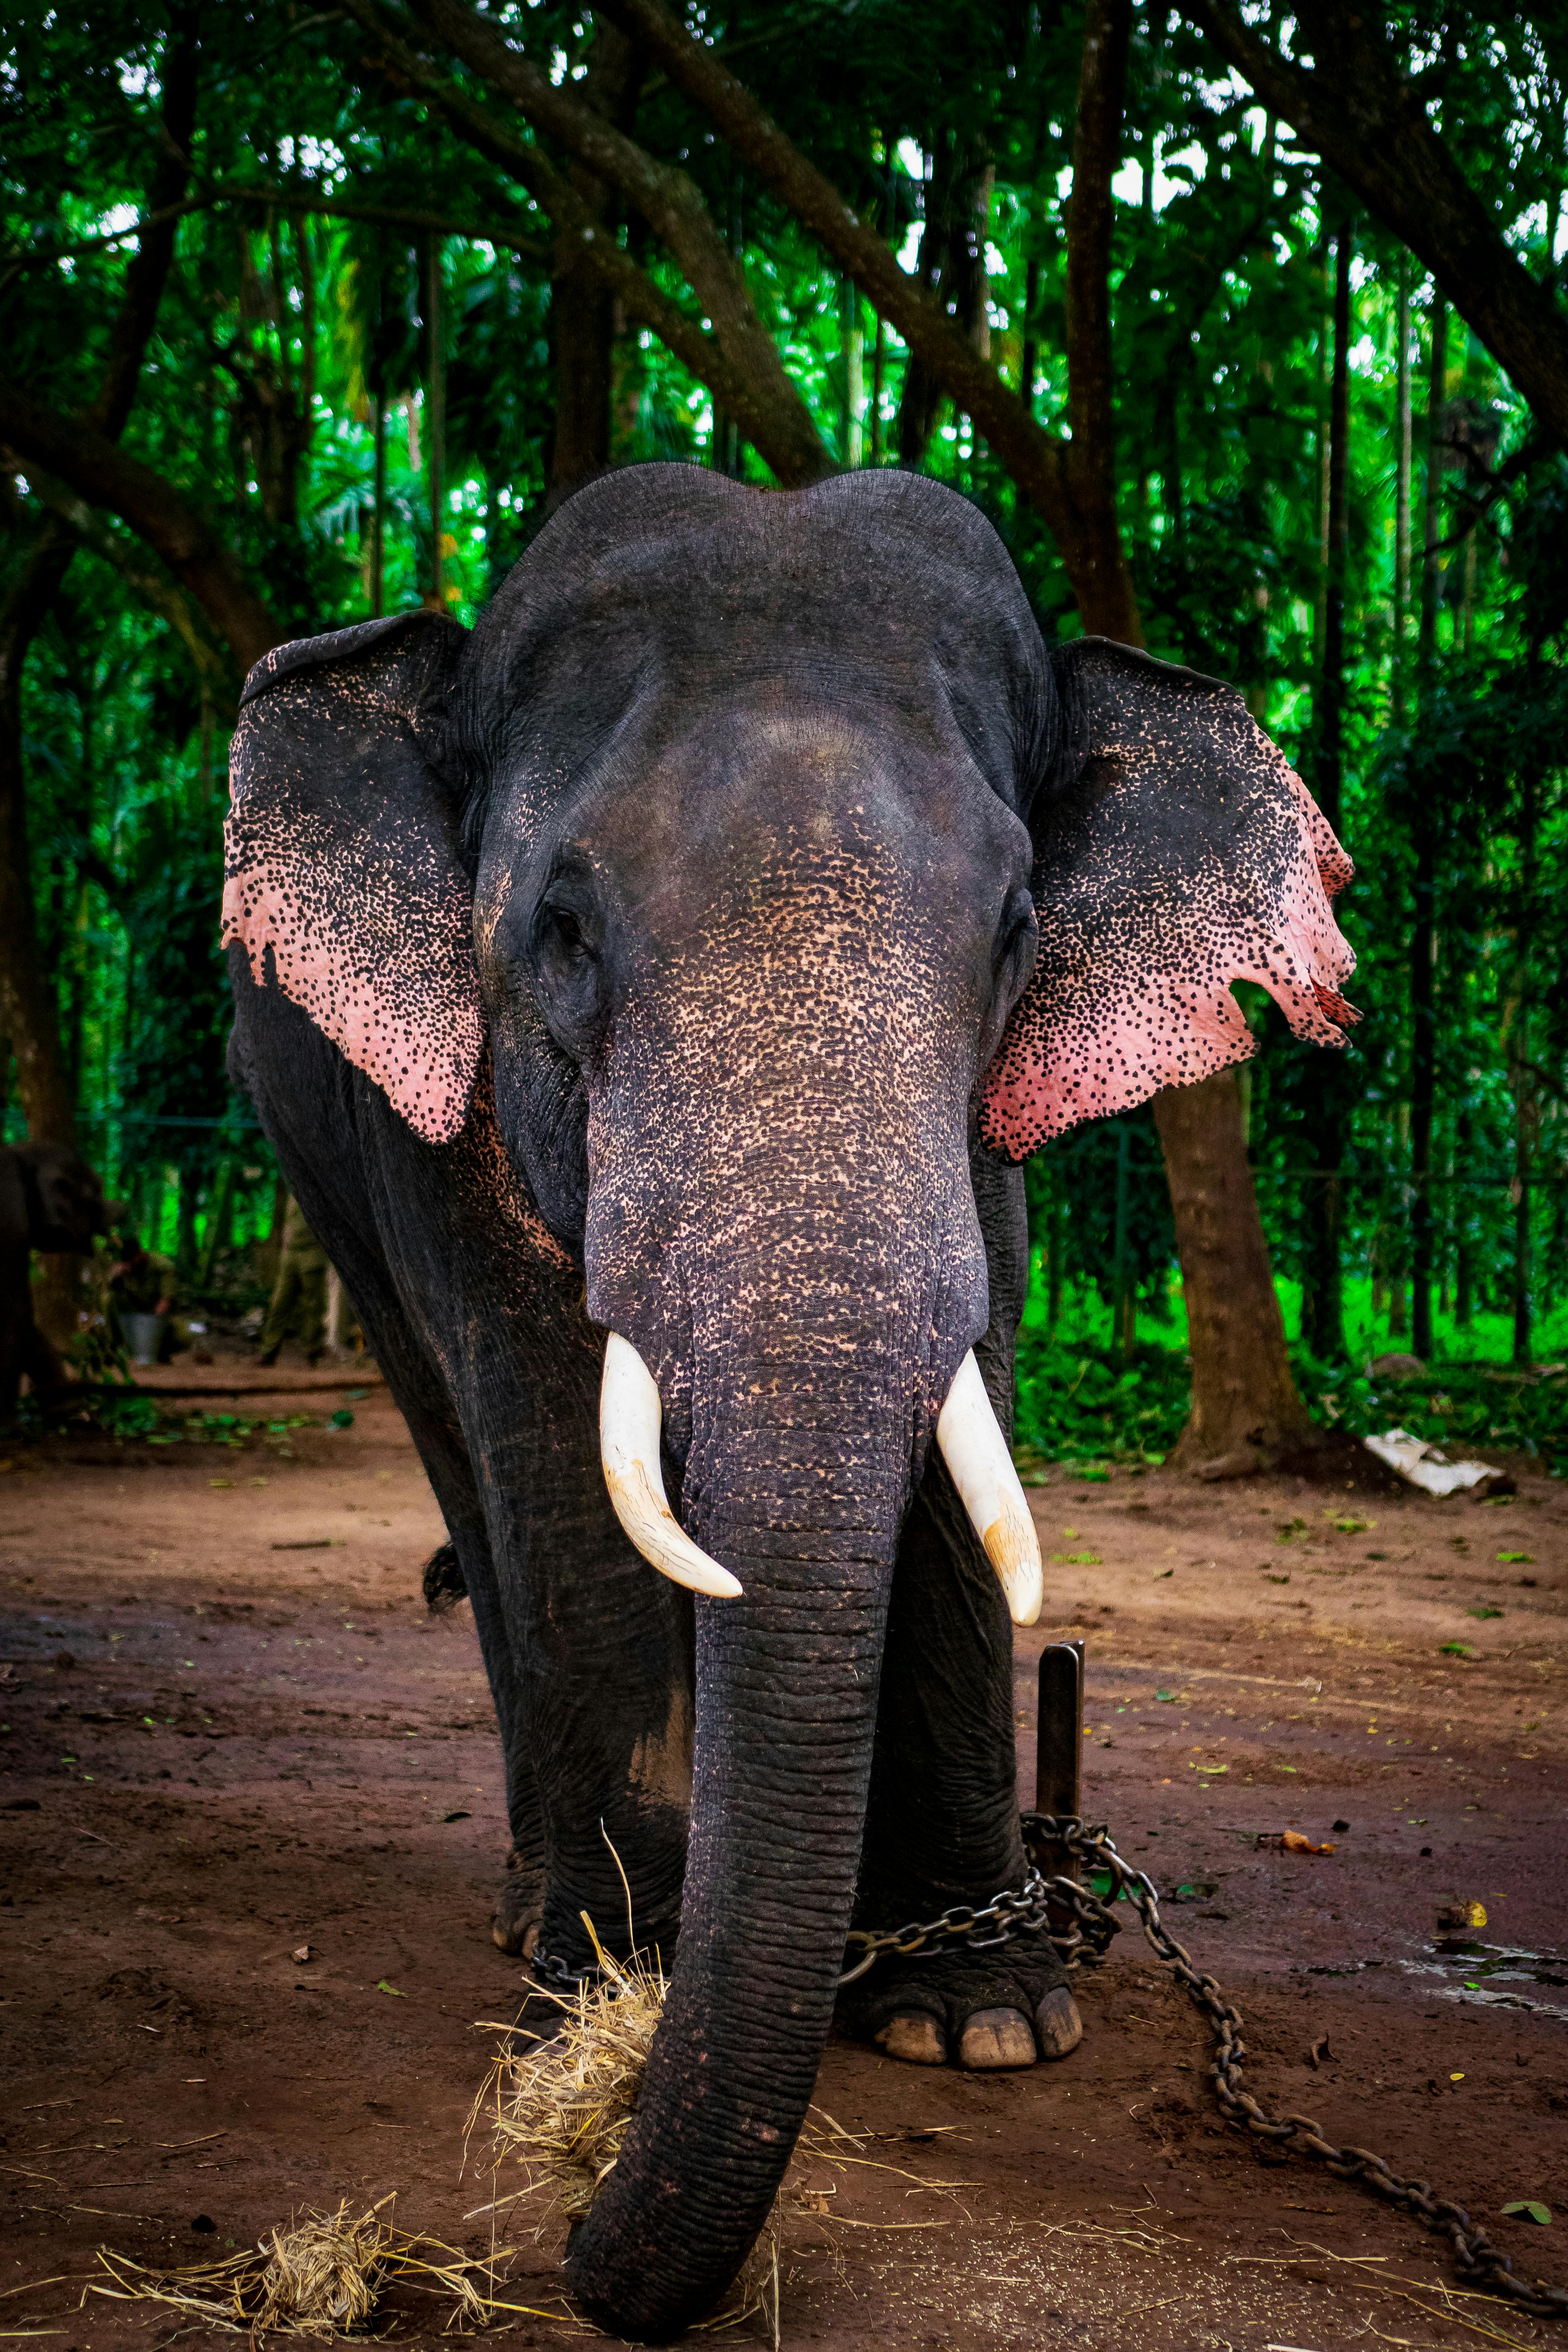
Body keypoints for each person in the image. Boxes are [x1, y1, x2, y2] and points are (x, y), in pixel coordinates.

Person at [258, 1194, 328, 1365]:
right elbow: (288, 1221)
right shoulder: (293, 1189)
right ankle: (268, 1352)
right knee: (279, 1304)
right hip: (291, 1253)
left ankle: (312, 1353)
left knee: (313, 1306)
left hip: (313, 1252)